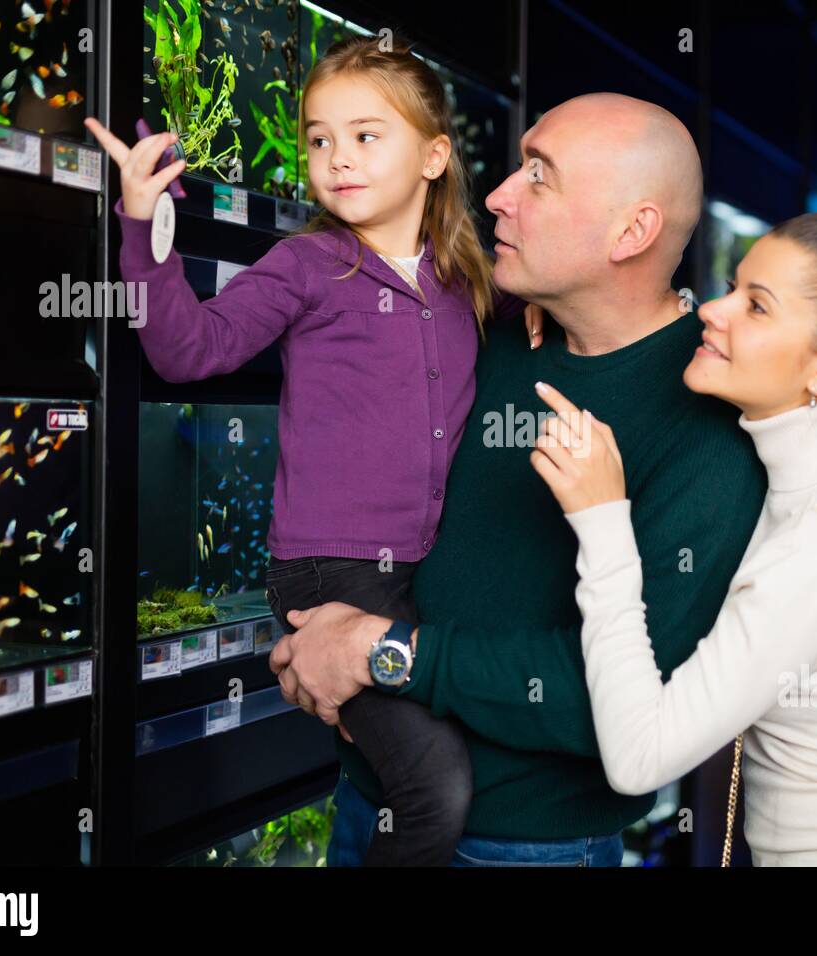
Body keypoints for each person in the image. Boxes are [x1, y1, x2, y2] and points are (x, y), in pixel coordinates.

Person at [270, 93, 768, 866]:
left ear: (631, 232)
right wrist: (320, 638)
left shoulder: (709, 434)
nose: (499, 192)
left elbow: (627, 703)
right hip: (370, 802)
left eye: (540, 175)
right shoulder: (495, 327)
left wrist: (376, 651)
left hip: (523, 849)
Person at [86, 35, 524, 866]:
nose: (336, 158)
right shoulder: (308, 264)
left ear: (435, 157)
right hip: (334, 572)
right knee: (435, 790)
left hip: (432, 569)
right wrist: (143, 222)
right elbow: (189, 351)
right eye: (319, 139)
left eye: (366, 135)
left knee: (440, 764)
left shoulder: (470, 279)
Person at [530, 212, 817, 865]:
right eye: (732, 285)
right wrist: (564, 307)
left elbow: (640, 758)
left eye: (757, 306)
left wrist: (603, 520)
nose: (713, 310)